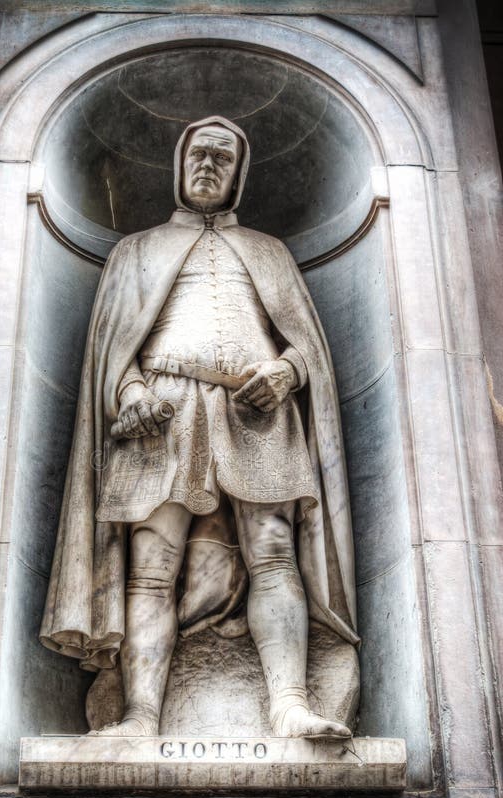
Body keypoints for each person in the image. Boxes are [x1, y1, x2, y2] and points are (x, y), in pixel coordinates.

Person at [40, 116, 359, 740]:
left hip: (256, 410)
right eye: (198, 155)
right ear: (179, 165)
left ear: (239, 174)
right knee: (150, 566)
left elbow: (309, 346)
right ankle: (140, 717)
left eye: (221, 157)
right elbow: (111, 346)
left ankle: (289, 706)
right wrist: (130, 392)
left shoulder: (269, 250)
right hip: (162, 411)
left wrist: (287, 371)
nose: (208, 165)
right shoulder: (136, 249)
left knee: (275, 554)